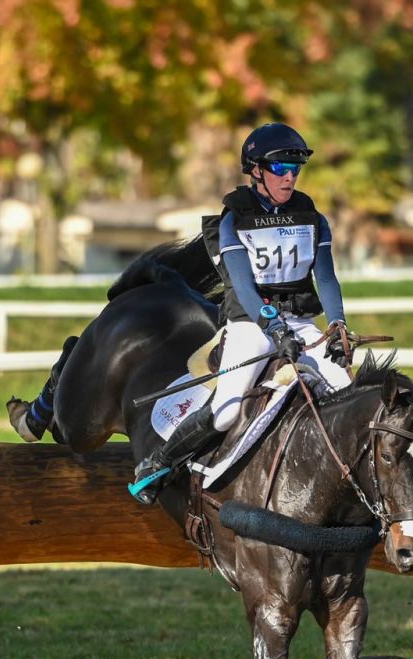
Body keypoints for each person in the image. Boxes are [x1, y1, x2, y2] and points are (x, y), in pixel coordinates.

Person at [129, 121, 352, 503]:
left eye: (295, 168)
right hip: (252, 323)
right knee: (227, 411)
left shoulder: (313, 218)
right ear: (256, 171)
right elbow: (244, 287)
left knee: (346, 394)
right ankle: (158, 463)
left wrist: (336, 325)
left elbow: (327, 279)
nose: (290, 177)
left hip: (300, 321)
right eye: (280, 168)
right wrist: (274, 329)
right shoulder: (234, 220)